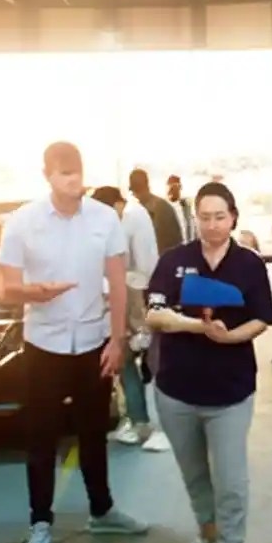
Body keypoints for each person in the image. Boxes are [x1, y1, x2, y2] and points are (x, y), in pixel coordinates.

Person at [0, 142, 148, 543]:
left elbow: (117, 283)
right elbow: (6, 287)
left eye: (76, 170)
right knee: (41, 437)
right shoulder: (23, 222)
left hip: (92, 343)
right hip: (43, 345)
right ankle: (40, 523)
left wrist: (116, 341)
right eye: (63, 172)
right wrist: (36, 292)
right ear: (46, 174)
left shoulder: (104, 219)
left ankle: (102, 510)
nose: (72, 179)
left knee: (93, 432)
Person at [144, 180, 272, 543]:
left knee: (231, 480)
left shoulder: (249, 264)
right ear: (195, 219)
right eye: (205, 217)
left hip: (229, 393)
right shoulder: (174, 260)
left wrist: (230, 337)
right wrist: (199, 327)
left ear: (233, 217)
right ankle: (208, 537)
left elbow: (262, 318)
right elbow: (155, 314)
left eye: (220, 217)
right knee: (195, 476)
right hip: (176, 391)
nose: (213, 225)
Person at [89, 186, 170, 452]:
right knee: (124, 362)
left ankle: (163, 428)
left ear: (118, 203)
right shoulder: (113, 221)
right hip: (120, 297)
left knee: (155, 363)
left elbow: (146, 266)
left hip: (140, 295)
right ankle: (139, 422)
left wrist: (141, 314)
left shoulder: (135, 216)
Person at [129, 169, 184, 254]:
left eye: (137, 191)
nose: (135, 195)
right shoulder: (136, 209)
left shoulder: (161, 208)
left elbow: (175, 242)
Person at [166, 175, 196, 244]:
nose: (173, 190)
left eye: (176, 187)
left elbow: (191, 226)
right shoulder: (165, 207)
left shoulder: (186, 206)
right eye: (171, 187)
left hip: (185, 244)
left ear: (180, 188)